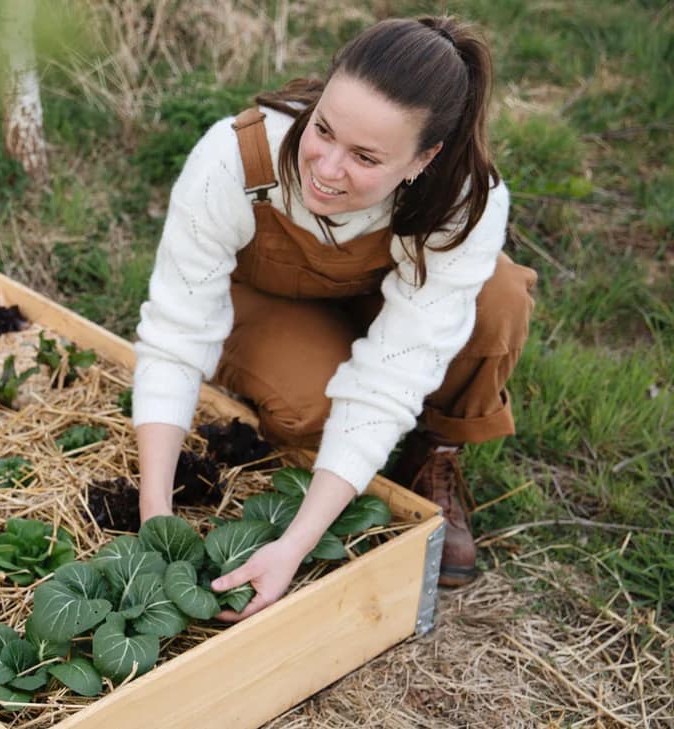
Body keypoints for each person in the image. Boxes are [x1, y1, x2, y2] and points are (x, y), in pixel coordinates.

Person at [132, 16, 537, 621]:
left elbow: (390, 378)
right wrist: (155, 512)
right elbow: (176, 330)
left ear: (425, 157)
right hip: (272, 297)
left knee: (499, 299)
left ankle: (434, 453)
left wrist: (293, 545)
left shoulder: (464, 202)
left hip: (379, 297)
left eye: (366, 157)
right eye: (323, 129)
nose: (325, 167)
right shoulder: (236, 159)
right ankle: (337, 397)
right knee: (308, 411)